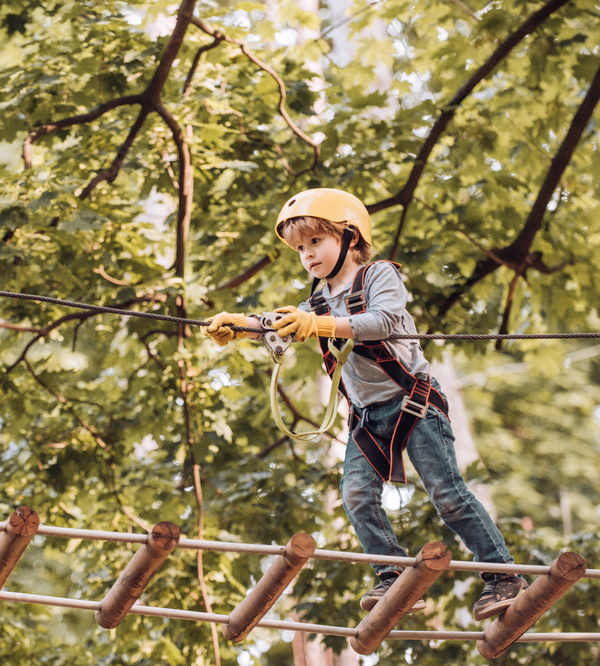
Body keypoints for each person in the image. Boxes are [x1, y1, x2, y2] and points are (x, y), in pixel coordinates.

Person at [202, 188, 526, 621]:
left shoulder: (378, 276)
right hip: (368, 417)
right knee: (356, 494)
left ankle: (503, 575)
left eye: (316, 241)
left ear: (350, 238)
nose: (307, 255)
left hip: (414, 404)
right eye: (300, 248)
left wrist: (318, 323)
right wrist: (240, 326)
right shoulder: (315, 303)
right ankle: (391, 577)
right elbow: (278, 325)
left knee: (447, 494)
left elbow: (384, 320)